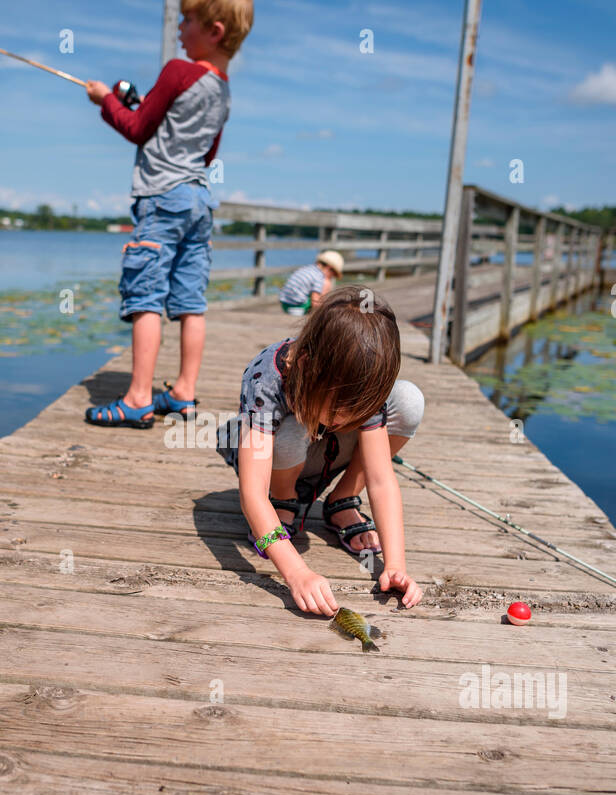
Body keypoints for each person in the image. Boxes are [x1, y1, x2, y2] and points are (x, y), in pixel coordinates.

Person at [83, 0, 255, 427]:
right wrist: (140, 105)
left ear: (214, 31)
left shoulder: (178, 71)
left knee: (145, 298)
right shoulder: (223, 91)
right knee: (191, 303)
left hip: (162, 198)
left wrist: (106, 100)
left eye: (188, 20)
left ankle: (139, 398)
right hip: (199, 200)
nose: (180, 27)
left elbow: (138, 128)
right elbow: (205, 151)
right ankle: (183, 392)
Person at [218, 286, 425, 615]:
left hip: (319, 448)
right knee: (291, 429)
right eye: (342, 410)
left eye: (360, 410)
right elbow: (251, 496)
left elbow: (381, 480)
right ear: (306, 364)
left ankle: (341, 500)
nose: (351, 420)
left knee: (409, 400)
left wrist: (395, 565)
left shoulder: (360, 383)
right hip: (271, 460)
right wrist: (297, 573)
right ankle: (284, 501)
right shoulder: (267, 379)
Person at [279, 250, 343, 315]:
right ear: (329, 268)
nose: (332, 277)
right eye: (334, 274)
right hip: (298, 307)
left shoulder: (307, 268)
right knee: (327, 283)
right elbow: (315, 302)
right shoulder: (319, 276)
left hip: (285, 304)